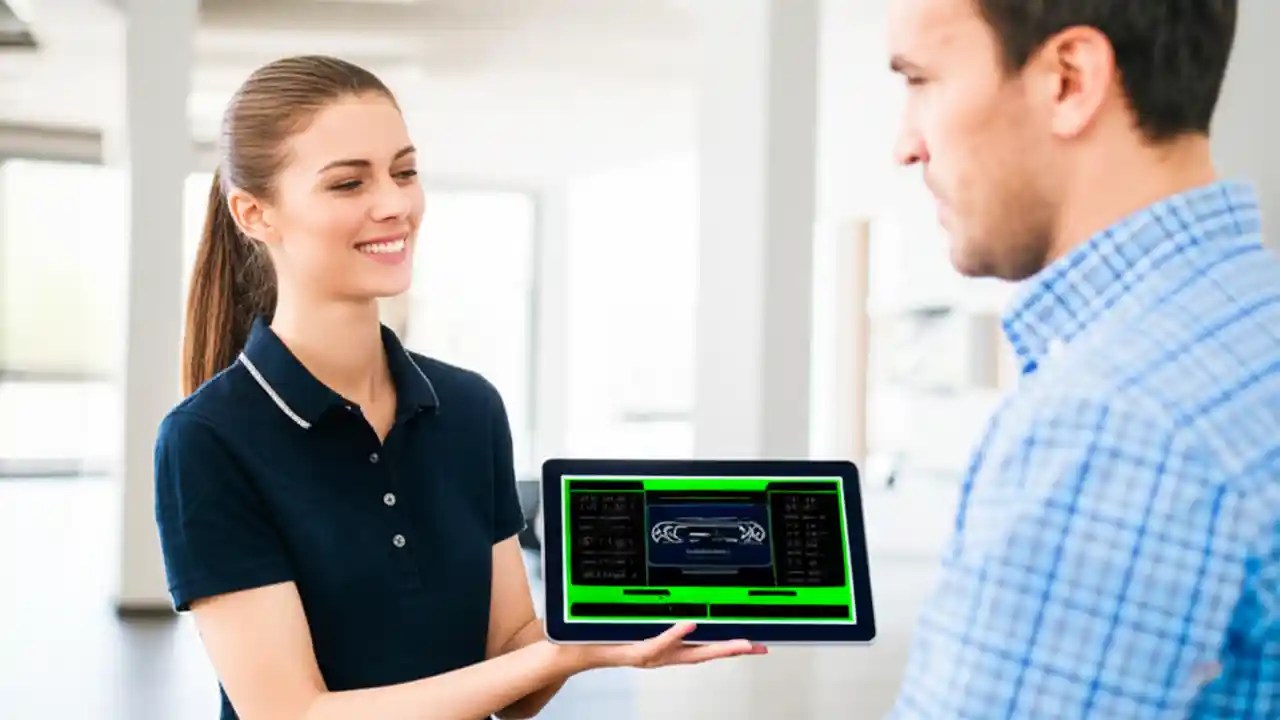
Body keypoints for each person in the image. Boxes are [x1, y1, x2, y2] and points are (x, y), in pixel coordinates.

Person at [153, 55, 764, 720]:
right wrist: (550, 656)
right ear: (254, 214)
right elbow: (294, 714)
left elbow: (512, 666)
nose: (395, 204)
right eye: (348, 183)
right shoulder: (207, 440)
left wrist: (599, 627)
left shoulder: (470, 407)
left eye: (405, 172)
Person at [884, 0, 1278, 717]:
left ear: (1069, 80)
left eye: (921, 80)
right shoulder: (1256, 323)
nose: (905, 144)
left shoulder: (1111, 426)